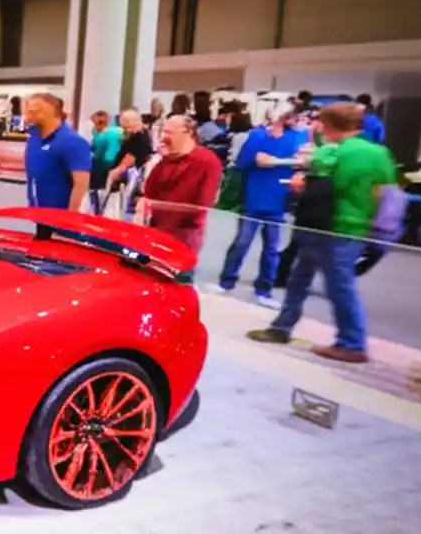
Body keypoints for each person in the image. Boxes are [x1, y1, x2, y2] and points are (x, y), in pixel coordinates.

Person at [247, 103, 398, 363]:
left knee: (336, 286)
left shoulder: (332, 152)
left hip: (326, 226)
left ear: (328, 125)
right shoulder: (379, 154)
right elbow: (384, 189)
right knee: (308, 279)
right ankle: (282, 327)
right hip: (355, 227)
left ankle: (352, 343)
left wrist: (310, 147)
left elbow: (311, 167)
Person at [210, 112, 305, 308]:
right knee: (242, 243)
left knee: (271, 248)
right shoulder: (258, 135)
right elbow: (245, 161)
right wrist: (269, 157)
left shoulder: (299, 137)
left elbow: (303, 162)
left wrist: (275, 161)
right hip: (255, 197)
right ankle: (226, 282)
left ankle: (264, 290)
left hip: (277, 199)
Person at [141, 115, 223, 252]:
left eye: (170, 133)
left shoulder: (207, 161)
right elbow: (150, 190)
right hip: (158, 227)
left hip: (186, 232)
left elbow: (205, 201)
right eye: (164, 131)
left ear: (188, 133)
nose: (164, 137)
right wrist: (164, 159)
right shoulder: (165, 160)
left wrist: (189, 221)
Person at [23, 93, 90, 211]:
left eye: (37, 110)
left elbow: (81, 184)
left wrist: (69, 218)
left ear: (54, 112)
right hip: (39, 212)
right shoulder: (34, 138)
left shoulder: (73, 142)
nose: (29, 113)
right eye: (29, 109)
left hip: (62, 217)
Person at [107, 110, 155, 219]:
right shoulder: (142, 134)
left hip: (129, 179)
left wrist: (116, 172)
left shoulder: (138, 137)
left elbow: (130, 158)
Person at [88, 110, 121, 214]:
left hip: (105, 162)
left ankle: (96, 207)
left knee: (95, 187)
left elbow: (98, 152)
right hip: (116, 162)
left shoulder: (103, 134)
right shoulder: (117, 131)